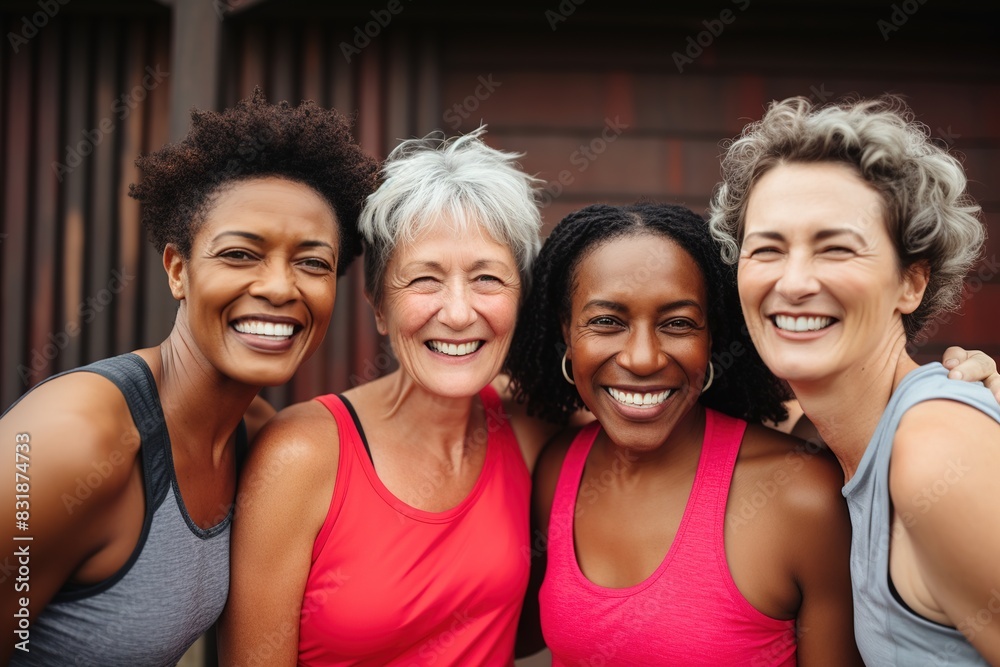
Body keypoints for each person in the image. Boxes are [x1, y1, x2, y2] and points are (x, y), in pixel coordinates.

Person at [0, 89, 379, 666]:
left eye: (312, 262)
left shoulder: (257, 435)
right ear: (178, 269)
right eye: (240, 254)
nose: (280, 287)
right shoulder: (70, 441)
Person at [220, 126, 561, 665]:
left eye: (487, 279)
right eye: (424, 279)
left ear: (521, 301)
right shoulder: (302, 456)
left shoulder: (528, 432)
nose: (456, 312)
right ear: (379, 305)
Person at [708, 95, 1000, 664]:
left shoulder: (933, 452)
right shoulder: (820, 433)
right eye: (766, 248)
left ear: (911, 284)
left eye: (836, 248)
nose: (793, 282)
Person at [508, 201, 867, 665]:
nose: (643, 358)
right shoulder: (558, 469)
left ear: (711, 338)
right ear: (566, 333)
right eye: (606, 322)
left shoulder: (802, 495)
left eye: (678, 323)